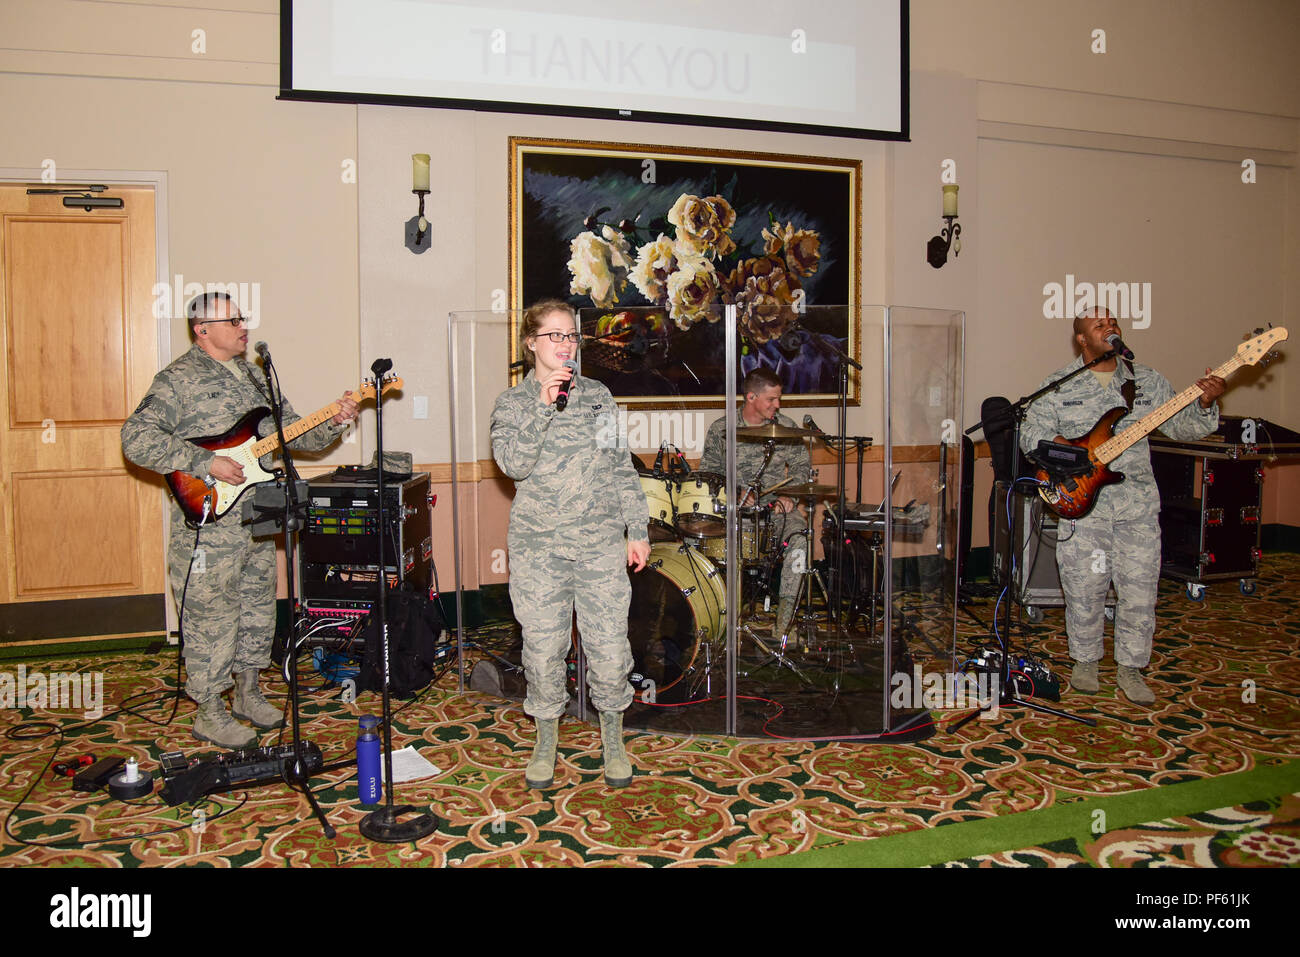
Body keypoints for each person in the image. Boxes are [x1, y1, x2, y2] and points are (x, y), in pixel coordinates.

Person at [122, 292, 358, 748]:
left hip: (257, 516)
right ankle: (209, 711)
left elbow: (290, 434)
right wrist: (202, 462)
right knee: (211, 614)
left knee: (255, 604)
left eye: (241, 317)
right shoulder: (178, 379)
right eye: (231, 320)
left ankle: (248, 693)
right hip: (209, 520)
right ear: (202, 330)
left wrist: (335, 420)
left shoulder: (254, 375)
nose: (242, 325)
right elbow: (136, 438)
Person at [1020, 307, 1225, 705]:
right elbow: (1032, 435)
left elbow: (1184, 427)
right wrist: (1060, 449)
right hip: (1084, 502)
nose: (1109, 327)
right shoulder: (1059, 385)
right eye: (1098, 325)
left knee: (1140, 589)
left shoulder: (1146, 381)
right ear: (1082, 339)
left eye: (1112, 322)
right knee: (1083, 587)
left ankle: (1132, 669)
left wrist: (1204, 404)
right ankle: (1085, 662)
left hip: (1138, 505)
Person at [490, 299, 651, 789]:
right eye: (555, 335)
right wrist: (540, 408)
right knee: (542, 651)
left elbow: (620, 464)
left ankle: (613, 738)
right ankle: (545, 740)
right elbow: (512, 465)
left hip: (600, 544)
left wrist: (637, 528)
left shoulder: (599, 395)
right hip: (540, 549)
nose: (565, 345)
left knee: (608, 648)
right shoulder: (512, 403)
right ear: (530, 343)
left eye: (571, 336)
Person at [700, 367, 812, 641]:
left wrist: (790, 498)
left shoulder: (785, 427)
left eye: (778, 399)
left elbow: (802, 470)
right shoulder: (721, 429)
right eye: (771, 399)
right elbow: (707, 473)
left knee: (800, 540)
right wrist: (734, 493)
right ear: (751, 397)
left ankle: (784, 624)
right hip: (735, 512)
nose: (777, 405)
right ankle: (726, 623)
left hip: (776, 510)